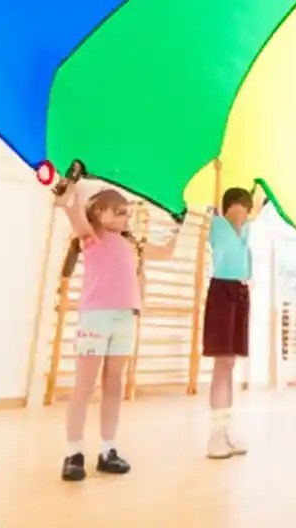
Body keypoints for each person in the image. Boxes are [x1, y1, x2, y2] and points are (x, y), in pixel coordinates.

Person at [56, 186, 178, 481]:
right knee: (84, 386)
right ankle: (74, 453)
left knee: (114, 385)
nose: (126, 217)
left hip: (125, 319)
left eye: (127, 212)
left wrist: (178, 225)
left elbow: (165, 252)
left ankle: (108, 450)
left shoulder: (133, 244)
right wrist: (72, 188)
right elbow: (74, 211)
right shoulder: (92, 238)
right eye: (119, 211)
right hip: (96, 319)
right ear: (100, 213)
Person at [203, 160, 266, 459]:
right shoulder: (217, 226)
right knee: (221, 365)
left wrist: (259, 185)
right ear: (227, 210)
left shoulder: (246, 232)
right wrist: (218, 173)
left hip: (240, 293)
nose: (243, 214)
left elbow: (258, 203)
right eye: (238, 209)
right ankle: (215, 435)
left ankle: (225, 431)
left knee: (229, 366)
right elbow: (217, 201)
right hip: (222, 291)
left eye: (246, 209)